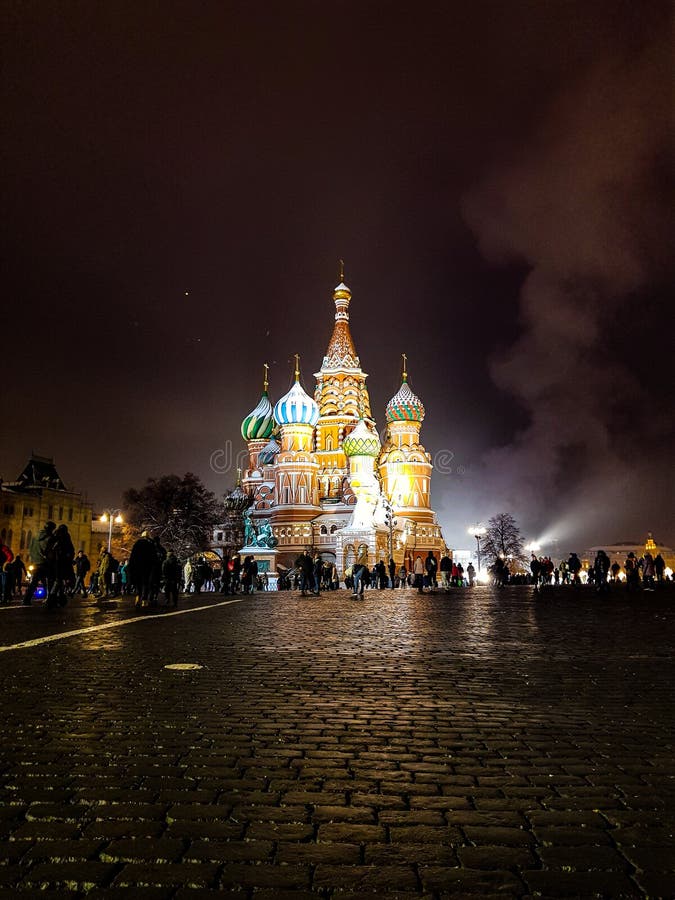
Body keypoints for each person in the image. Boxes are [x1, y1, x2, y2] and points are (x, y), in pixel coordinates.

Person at [25, 520, 56, 605]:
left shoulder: (35, 536)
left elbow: (30, 549)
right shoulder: (49, 538)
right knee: (49, 581)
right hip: (44, 563)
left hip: (36, 562)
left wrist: (34, 559)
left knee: (34, 582)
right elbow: (49, 552)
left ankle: (26, 599)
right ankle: (49, 599)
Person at [128, 531, 158, 610]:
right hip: (147, 567)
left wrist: (131, 567)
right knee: (146, 583)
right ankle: (144, 600)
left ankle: (138, 596)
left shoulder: (137, 544)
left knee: (139, 583)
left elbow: (132, 557)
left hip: (138, 567)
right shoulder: (151, 545)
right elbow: (154, 557)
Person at [47, 523, 75, 608]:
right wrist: (69, 558)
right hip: (61, 563)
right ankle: (52, 598)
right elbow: (70, 550)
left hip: (53, 563)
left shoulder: (54, 536)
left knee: (56, 581)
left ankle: (57, 598)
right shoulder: (65, 537)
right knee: (59, 580)